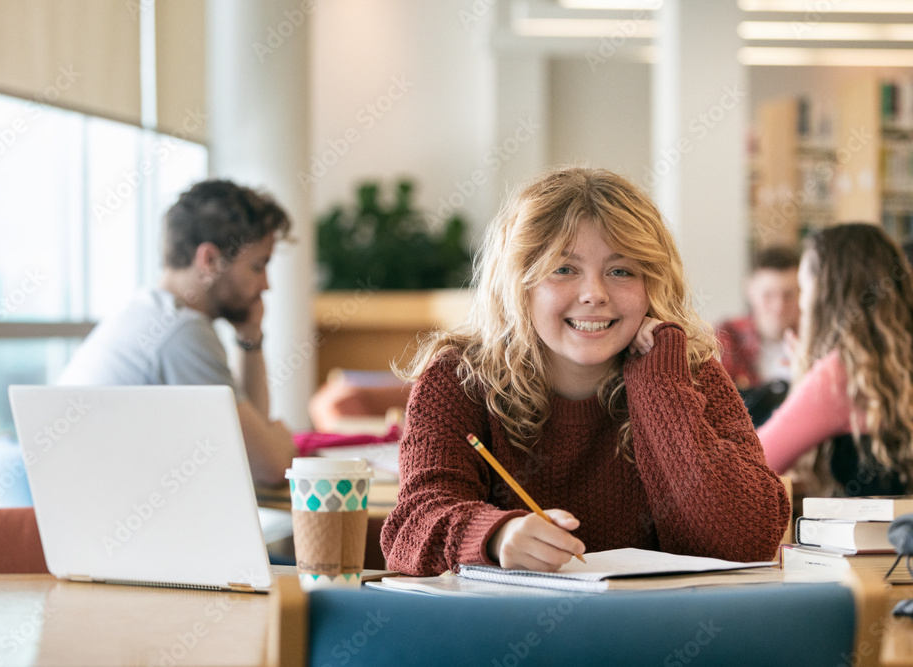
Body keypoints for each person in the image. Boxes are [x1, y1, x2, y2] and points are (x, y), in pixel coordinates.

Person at [379, 167, 789, 576]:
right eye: (564, 269)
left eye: (621, 271)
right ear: (520, 284)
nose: (594, 293)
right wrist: (496, 537)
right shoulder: (457, 379)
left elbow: (749, 540)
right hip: (508, 631)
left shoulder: (687, 374)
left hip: (656, 630)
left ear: (652, 284)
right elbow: (410, 527)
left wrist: (659, 386)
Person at [58, 180, 297, 486]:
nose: (267, 285)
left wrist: (250, 339)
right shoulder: (182, 333)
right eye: (258, 266)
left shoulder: (148, 313)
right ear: (209, 260)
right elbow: (269, 468)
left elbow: (254, 443)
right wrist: (282, 440)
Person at [758, 223, 913, 497]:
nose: (802, 304)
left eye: (803, 289)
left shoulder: (839, 374)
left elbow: (753, 463)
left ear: (825, 296)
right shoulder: (895, 362)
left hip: (874, 539)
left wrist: (804, 379)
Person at [715, 247, 799, 426]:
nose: (779, 306)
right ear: (750, 290)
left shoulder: (813, 340)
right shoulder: (727, 337)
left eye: (788, 294)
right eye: (768, 295)